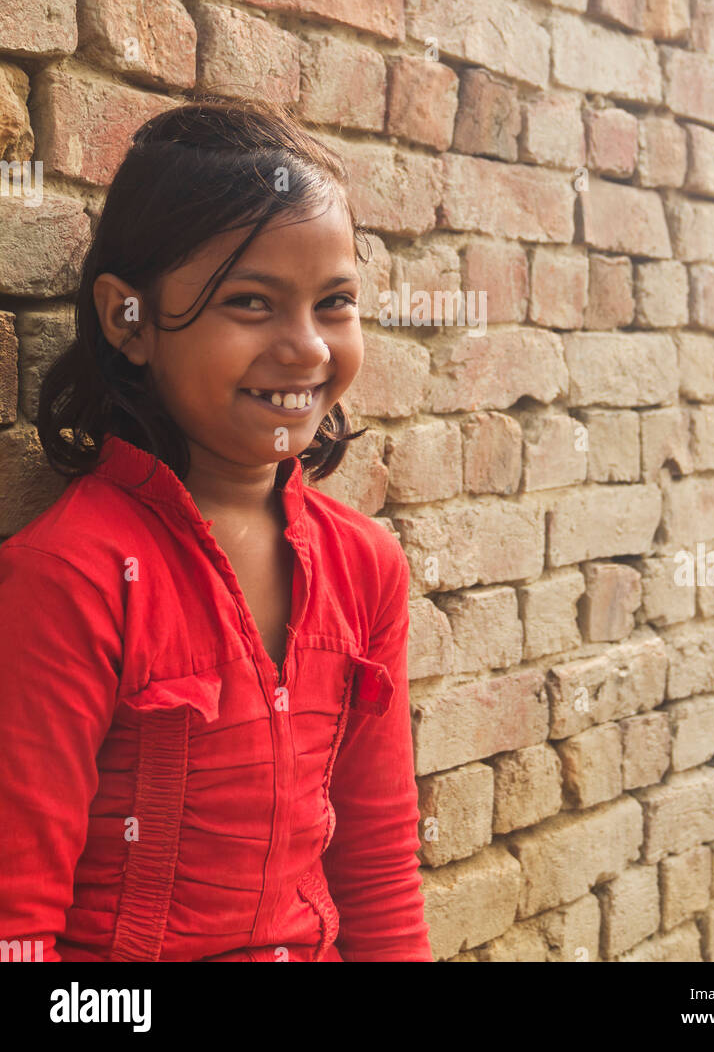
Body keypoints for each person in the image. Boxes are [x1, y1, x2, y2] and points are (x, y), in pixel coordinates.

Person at [0, 96, 433, 963]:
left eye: (335, 302)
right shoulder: (74, 576)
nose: (307, 347)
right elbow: (16, 922)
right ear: (130, 318)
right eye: (251, 302)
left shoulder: (364, 567)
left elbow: (377, 867)